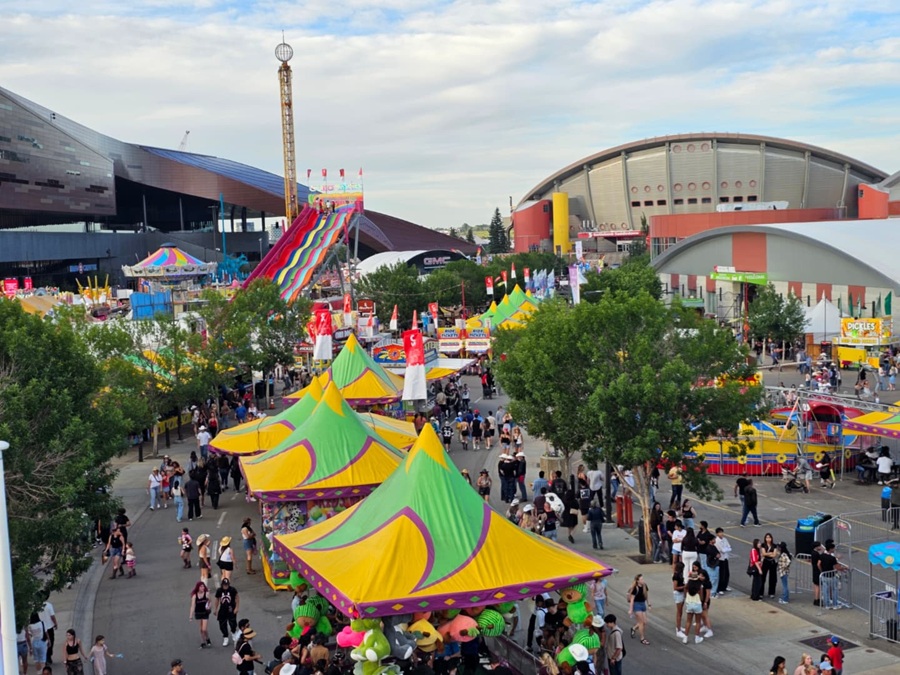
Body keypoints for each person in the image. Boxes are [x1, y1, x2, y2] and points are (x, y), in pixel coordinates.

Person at [214, 577, 240, 647]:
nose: (225, 586)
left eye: (227, 585)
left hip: (231, 608)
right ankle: (225, 636)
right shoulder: (219, 590)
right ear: (222, 585)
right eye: (224, 585)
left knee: (233, 622)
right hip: (222, 609)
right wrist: (215, 609)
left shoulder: (232, 590)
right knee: (222, 624)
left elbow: (237, 597)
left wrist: (237, 607)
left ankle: (234, 632)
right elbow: (217, 600)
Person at [627, 573, 651, 645]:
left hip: (643, 604)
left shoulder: (644, 586)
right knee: (641, 623)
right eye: (641, 579)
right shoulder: (635, 588)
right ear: (637, 581)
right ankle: (642, 638)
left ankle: (634, 628)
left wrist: (649, 604)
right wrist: (631, 609)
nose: (643, 580)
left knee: (645, 622)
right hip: (637, 605)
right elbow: (632, 600)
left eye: (643, 579)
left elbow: (646, 596)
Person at [189, 580, 213, 648]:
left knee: (204, 629)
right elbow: (193, 606)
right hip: (198, 613)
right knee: (200, 629)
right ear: (198, 587)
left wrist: (209, 607)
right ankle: (203, 642)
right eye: (201, 586)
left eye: (203, 586)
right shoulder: (195, 596)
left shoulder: (206, 594)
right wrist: (190, 616)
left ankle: (207, 638)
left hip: (205, 613)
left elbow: (210, 602)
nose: (202, 588)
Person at [682, 574, 704, 644]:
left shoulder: (687, 586)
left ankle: (685, 637)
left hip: (689, 603)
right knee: (698, 622)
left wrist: (686, 597)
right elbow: (701, 597)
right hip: (697, 604)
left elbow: (685, 593)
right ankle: (697, 638)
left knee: (688, 621)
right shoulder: (699, 586)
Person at [37, 600, 58, 665]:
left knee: (42, 642)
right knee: (50, 641)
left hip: (41, 627)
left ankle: (43, 656)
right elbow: (52, 616)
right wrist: (55, 623)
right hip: (49, 627)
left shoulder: (36, 606)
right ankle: (48, 656)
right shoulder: (48, 605)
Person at [714, 527, 732, 594]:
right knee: (721, 574)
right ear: (717, 534)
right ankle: (720, 588)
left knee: (727, 573)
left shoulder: (725, 539)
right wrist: (726, 549)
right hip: (721, 559)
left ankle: (725, 586)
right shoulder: (717, 541)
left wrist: (726, 549)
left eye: (722, 532)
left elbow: (729, 547)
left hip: (726, 558)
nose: (721, 534)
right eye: (720, 532)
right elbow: (722, 550)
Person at [760, 532, 778, 599]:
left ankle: (771, 592)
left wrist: (768, 553)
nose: (768, 539)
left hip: (772, 562)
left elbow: (774, 555)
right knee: (763, 577)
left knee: (773, 578)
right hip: (765, 562)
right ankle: (761, 593)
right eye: (767, 537)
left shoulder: (774, 545)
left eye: (769, 537)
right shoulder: (763, 545)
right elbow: (763, 553)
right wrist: (770, 553)